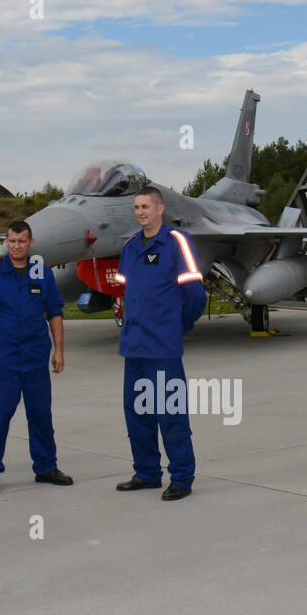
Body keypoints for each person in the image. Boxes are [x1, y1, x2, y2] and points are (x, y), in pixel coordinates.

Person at [112, 186, 206, 500]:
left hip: (163, 350)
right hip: (134, 347)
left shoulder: (177, 242)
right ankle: (147, 473)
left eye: (145, 207)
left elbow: (195, 295)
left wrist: (180, 326)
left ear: (160, 208)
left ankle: (181, 477)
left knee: (171, 414)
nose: (140, 213)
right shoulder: (130, 247)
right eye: (136, 207)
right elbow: (127, 295)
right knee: (137, 414)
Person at [0, 219, 71, 493]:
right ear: (6, 242)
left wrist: (59, 349)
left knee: (41, 416)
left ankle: (46, 467)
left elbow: (55, 312)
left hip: (35, 358)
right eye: (12, 241)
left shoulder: (43, 274)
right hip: (3, 360)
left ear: (31, 243)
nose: (16, 246)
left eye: (22, 241)